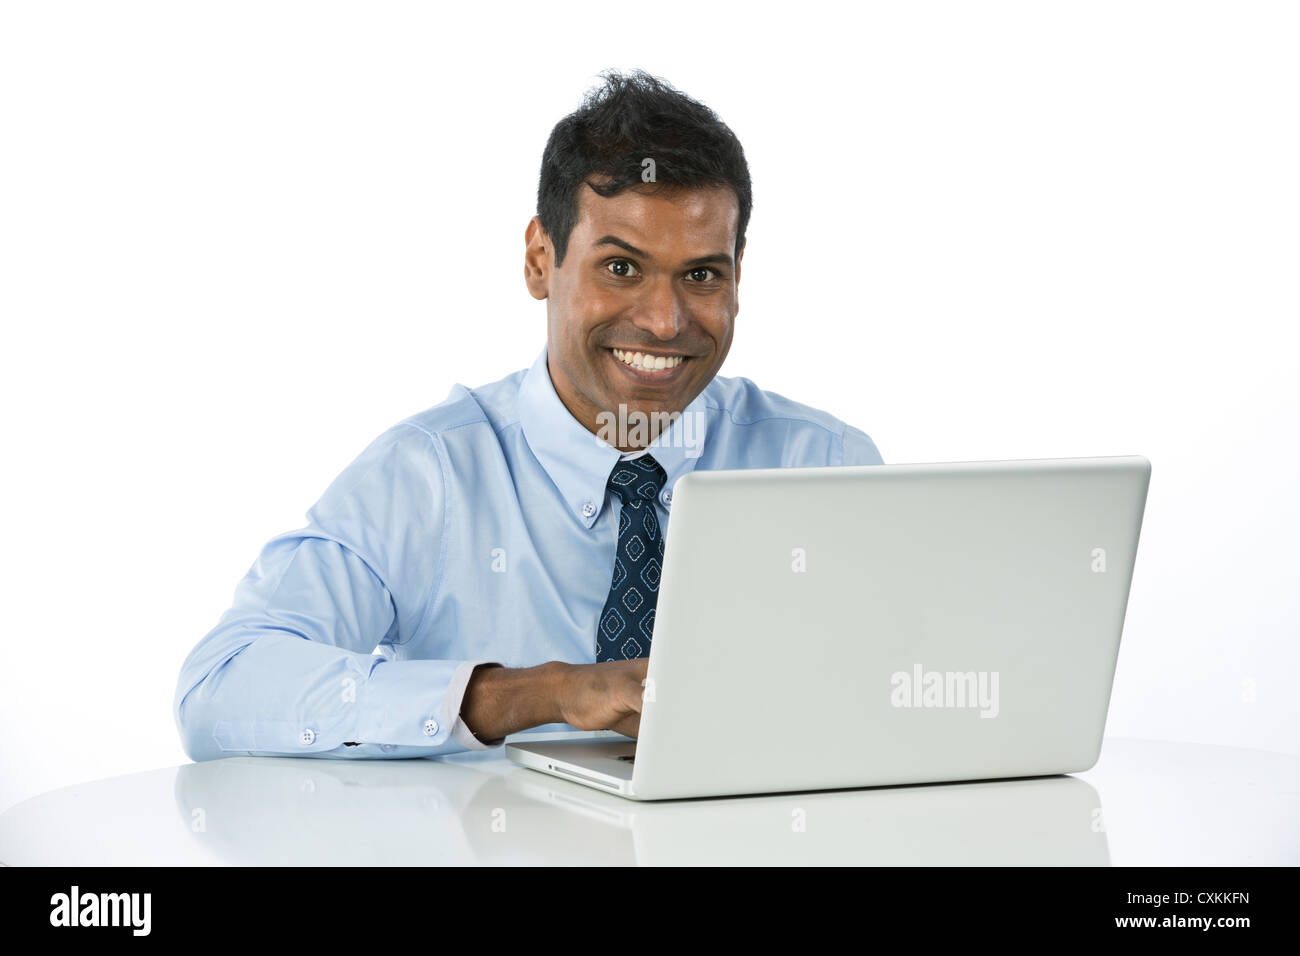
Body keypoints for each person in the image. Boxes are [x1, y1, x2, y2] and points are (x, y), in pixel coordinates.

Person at [173, 69, 883, 761]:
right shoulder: (429, 475)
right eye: (622, 268)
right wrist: (535, 694)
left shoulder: (822, 466)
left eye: (701, 275)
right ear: (541, 260)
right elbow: (220, 690)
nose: (665, 323)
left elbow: (907, 701)